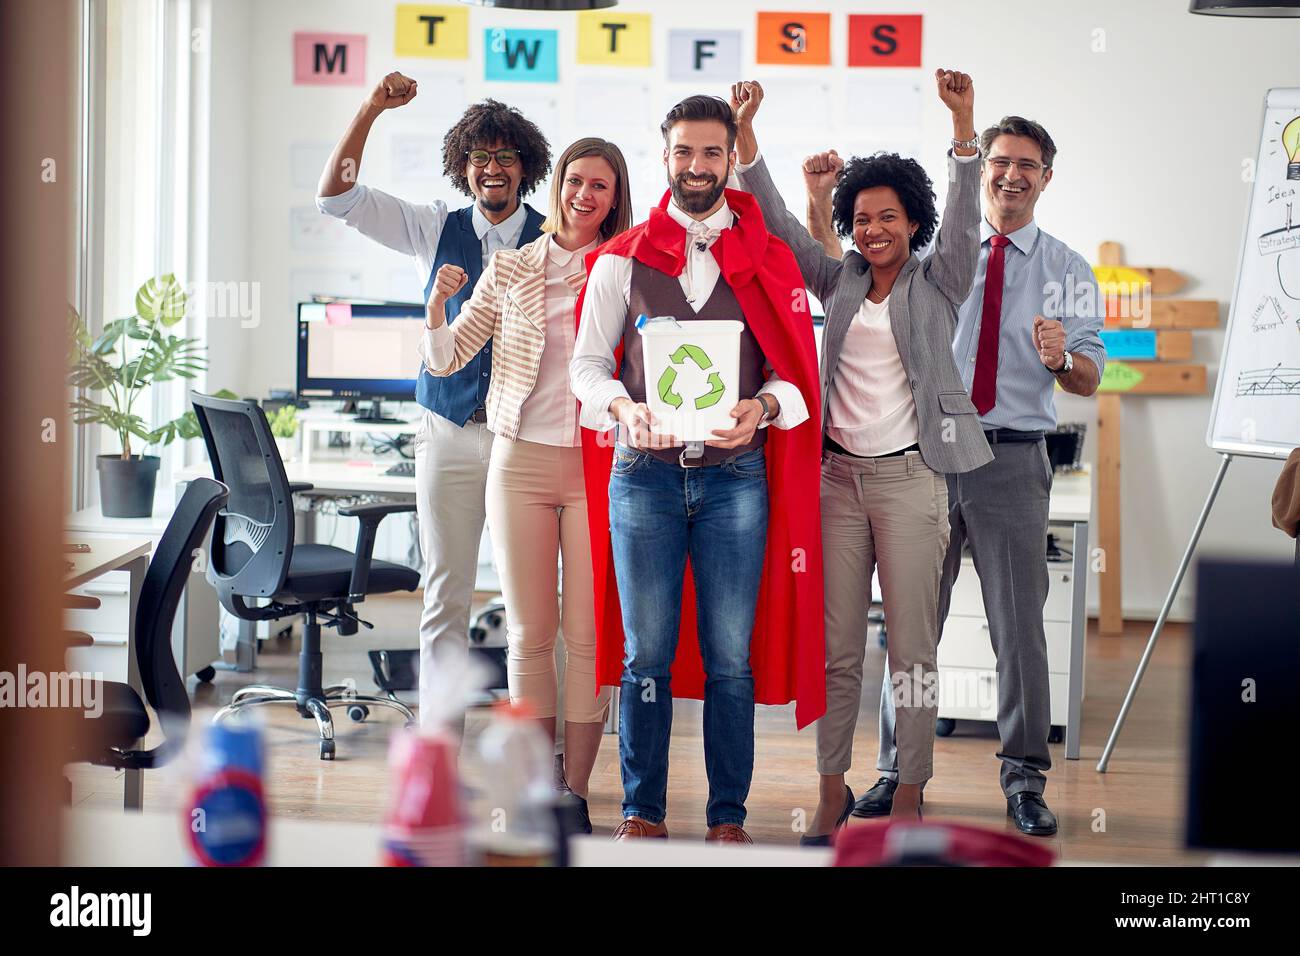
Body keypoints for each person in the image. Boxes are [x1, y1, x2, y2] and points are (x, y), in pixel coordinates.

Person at [811, 115, 1107, 836]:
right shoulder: (935, 258)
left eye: (1026, 164)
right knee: (912, 626)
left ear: (1046, 177)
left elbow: (1092, 376)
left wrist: (1061, 359)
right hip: (922, 456)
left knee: (1018, 627)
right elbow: (842, 277)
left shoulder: (1066, 270)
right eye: (999, 160)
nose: (1011, 174)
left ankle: (1024, 775)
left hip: (1009, 457)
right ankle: (893, 771)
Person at [731, 71, 992, 843]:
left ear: (914, 224)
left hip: (913, 480)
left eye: (889, 217)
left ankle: (909, 791)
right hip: (836, 480)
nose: (874, 229)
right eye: (862, 218)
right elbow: (777, 223)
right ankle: (830, 788)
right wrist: (747, 132)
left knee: (911, 649)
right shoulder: (838, 279)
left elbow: (969, 219)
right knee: (838, 651)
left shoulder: (940, 279)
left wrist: (963, 121)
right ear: (848, 225)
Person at [569, 94, 825, 844]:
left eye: (712, 153)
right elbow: (588, 366)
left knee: (730, 658)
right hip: (641, 476)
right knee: (644, 652)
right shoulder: (621, 260)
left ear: (729, 158)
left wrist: (766, 409)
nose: (697, 166)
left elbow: (791, 372)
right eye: (684, 152)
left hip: (734, 482)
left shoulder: (770, 258)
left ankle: (727, 818)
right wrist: (620, 408)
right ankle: (642, 811)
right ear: (666, 156)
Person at [316, 73, 552, 734]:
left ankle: (529, 744)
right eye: (481, 157)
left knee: (528, 600)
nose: (493, 168)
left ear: (526, 167)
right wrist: (369, 110)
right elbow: (335, 197)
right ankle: (439, 744)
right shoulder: (432, 228)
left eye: (506, 156)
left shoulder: (554, 236)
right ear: (464, 168)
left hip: (523, 437)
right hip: (447, 429)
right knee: (446, 590)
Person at [419, 138, 632, 832]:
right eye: (576, 181)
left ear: (613, 195)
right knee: (530, 633)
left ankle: (577, 789)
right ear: (559, 185)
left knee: (590, 634)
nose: (584, 195)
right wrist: (436, 310)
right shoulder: (510, 267)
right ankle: (540, 791)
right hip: (520, 462)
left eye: (600, 185)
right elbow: (451, 358)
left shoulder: (628, 266)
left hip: (600, 464)